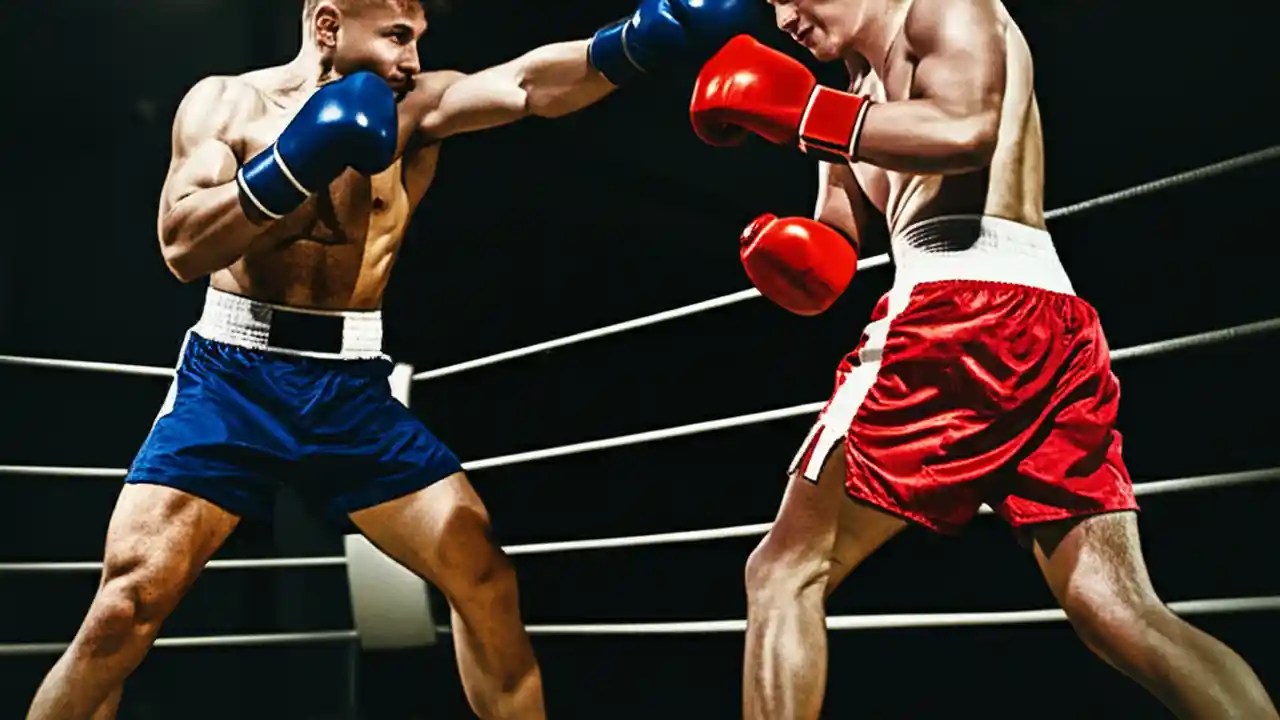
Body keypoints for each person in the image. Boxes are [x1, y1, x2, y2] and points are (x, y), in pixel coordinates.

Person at [24, 1, 759, 718]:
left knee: (483, 577)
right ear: (327, 26)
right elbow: (181, 246)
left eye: (420, 39)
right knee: (126, 605)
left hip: (353, 392)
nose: (413, 60)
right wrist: (291, 164)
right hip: (233, 379)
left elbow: (529, 86)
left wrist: (632, 43)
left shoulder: (413, 108)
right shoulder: (226, 104)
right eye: (398, 37)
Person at [686, 0, 1280, 718]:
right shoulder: (848, 94)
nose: (783, 17)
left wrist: (802, 111)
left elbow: (966, 131)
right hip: (1046, 328)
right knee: (1115, 608)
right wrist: (788, 253)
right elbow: (833, 249)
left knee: (784, 571)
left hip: (956, 314)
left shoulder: (945, 9)